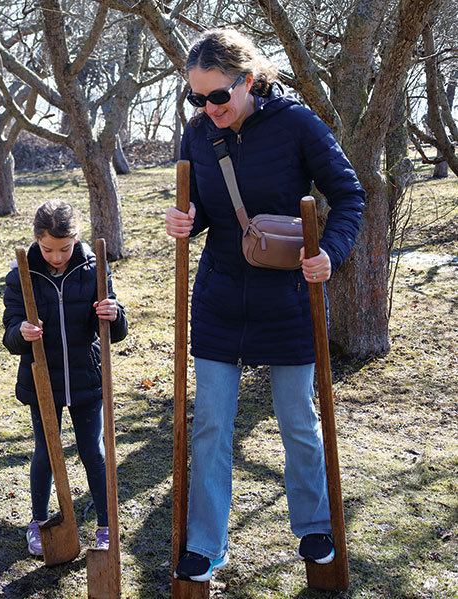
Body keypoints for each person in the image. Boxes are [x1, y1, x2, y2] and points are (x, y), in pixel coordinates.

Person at [165, 29, 365, 582]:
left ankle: (316, 528)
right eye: (196, 97)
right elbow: (199, 209)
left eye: (217, 96)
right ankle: (206, 544)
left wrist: (330, 252)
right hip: (220, 297)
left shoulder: (297, 124)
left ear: (247, 81)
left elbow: (349, 194)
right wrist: (184, 220)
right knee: (210, 426)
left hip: (288, 298)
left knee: (298, 420)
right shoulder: (197, 135)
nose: (208, 108)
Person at [2, 199, 128, 556]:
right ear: (36, 241)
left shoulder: (93, 268)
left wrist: (114, 314)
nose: (56, 257)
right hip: (42, 379)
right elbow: (9, 334)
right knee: (46, 450)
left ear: (76, 238)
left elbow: (117, 332)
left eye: (64, 249)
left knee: (93, 451)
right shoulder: (21, 275)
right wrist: (21, 332)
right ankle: (39, 523)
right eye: (48, 250)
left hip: (86, 377)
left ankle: (105, 525)